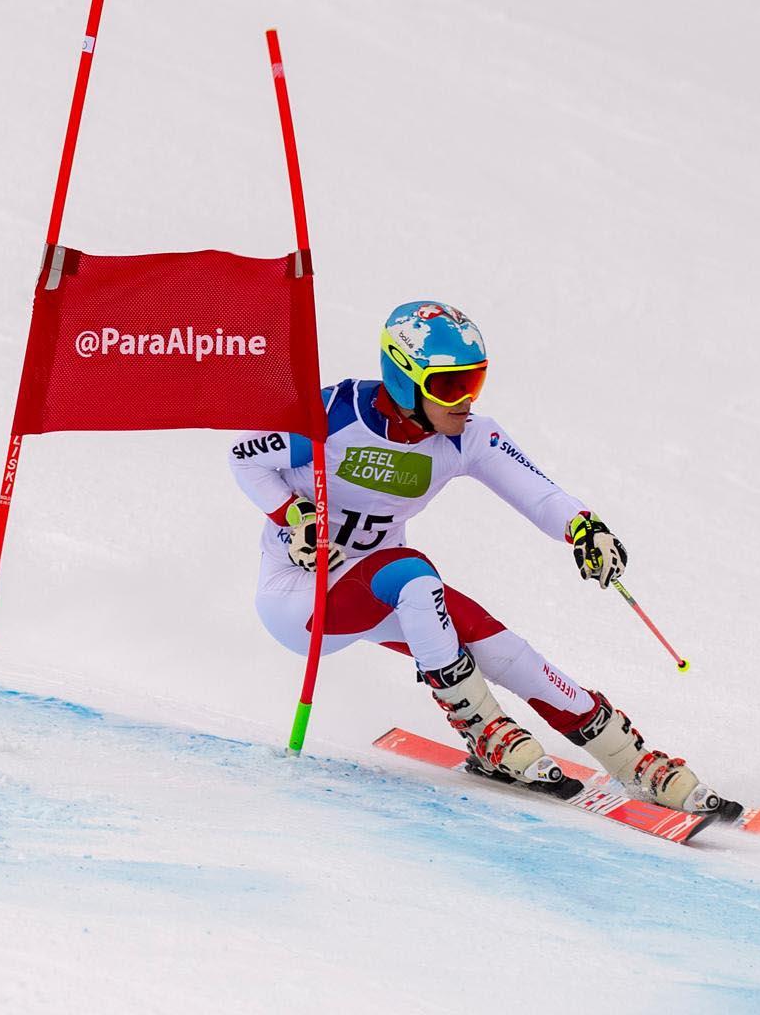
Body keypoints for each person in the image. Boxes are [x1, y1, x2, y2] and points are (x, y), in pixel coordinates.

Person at [228, 300, 732, 815]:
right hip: (301, 599)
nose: (465, 400)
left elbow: (540, 494)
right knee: (414, 574)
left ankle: (628, 759)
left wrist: (583, 527)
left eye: (474, 381)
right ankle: (484, 728)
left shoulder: (468, 436)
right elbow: (244, 458)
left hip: (385, 595)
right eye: (449, 386)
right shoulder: (330, 417)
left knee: (496, 643)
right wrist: (294, 516)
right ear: (404, 379)